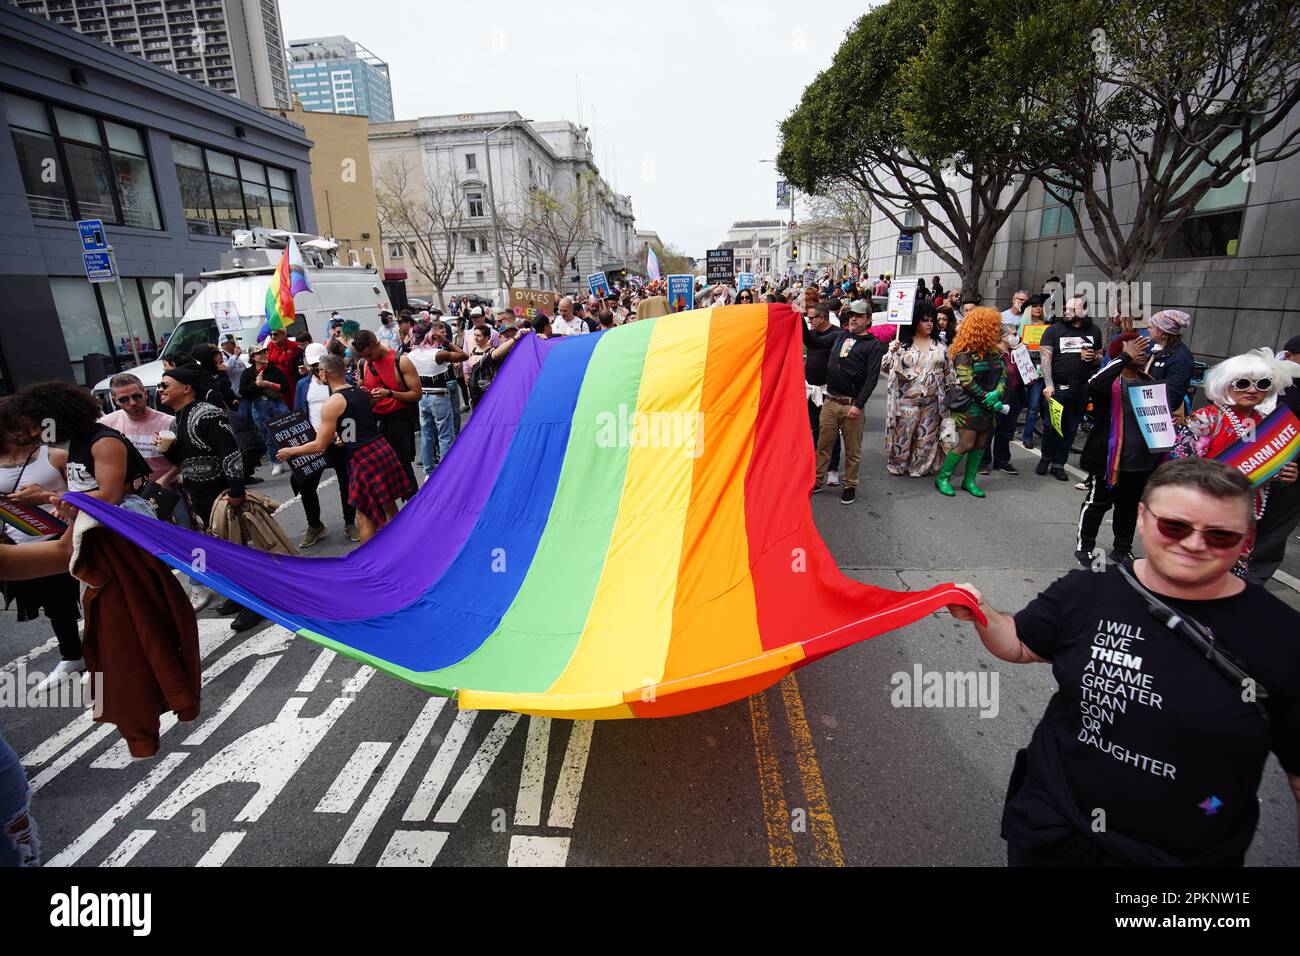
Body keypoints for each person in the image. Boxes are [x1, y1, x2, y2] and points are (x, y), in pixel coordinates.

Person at [946, 457, 1300, 866]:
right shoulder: (1086, 593)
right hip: (1055, 834)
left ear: (1245, 537)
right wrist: (983, 611)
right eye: (1175, 526)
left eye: (1219, 535)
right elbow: (1020, 644)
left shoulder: (1283, 637)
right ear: (1143, 517)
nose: (1194, 544)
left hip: (1184, 858)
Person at [1170, 348, 1300, 574]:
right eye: (1242, 383)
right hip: (1204, 512)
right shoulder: (1205, 419)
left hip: (1245, 515)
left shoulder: (1270, 426)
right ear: (1225, 384)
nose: (1252, 390)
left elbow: (1269, 475)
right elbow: (1178, 470)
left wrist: (1284, 476)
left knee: (1231, 575)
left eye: (1262, 384)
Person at [278, 353, 413, 542]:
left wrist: (290, 451)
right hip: (382, 449)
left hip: (362, 457)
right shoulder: (361, 391)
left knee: (364, 516)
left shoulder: (333, 402)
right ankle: (401, 546)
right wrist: (344, 436)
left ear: (324, 373)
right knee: (389, 505)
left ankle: (370, 563)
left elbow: (319, 446)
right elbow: (356, 422)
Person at [0, 396, 83, 692]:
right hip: (22, 544)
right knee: (55, 606)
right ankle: (72, 655)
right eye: (18, 425)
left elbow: (83, 490)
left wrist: (60, 502)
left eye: (31, 424)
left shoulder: (55, 456)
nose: (29, 430)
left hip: (66, 536)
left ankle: (104, 653)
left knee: (91, 595)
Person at [1074, 333, 1162, 567]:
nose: (1140, 352)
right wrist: (1124, 357)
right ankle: (1086, 546)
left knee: (1128, 507)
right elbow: (1094, 383)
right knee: (1097, 504)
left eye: (1143, 349)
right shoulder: (1109, 384)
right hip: (1108, 459)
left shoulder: (1148, 381)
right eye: (1134, 348)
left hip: (1140, 461)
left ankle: (1122, 549)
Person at [803, 299, 885, 504]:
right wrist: (799, 320)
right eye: (851, 316)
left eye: (858, 316)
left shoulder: (873, 345)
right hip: (830, 401)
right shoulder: (841, 335)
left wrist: (858, 405)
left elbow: (872, 378)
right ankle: (818, 481)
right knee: (823, 446)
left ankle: (849, 485)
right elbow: (813, 342)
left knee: (852, 451)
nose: (853, 319)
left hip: (852, 404)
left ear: (868, 319)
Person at [292, 343, 360, 547]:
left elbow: (353, 412)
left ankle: (349, 522)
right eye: (312, 365)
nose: (316, 369)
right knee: (306, 484)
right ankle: (315, 525)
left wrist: (347, 435)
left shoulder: (344, 381)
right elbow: (298, 412)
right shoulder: (303, 385)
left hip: (339, 443)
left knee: (346, 483)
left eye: (319, 365)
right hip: (314, 443)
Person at [934, 307, 1006, 497]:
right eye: (994, 326)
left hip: (987, 407)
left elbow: (1003, 375)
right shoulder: (963, 353)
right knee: (965, 443)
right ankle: (943, 477)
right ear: (982, 327)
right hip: (970, 406)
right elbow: (966, 381)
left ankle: (969, 481)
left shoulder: (994, 351)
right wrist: (987, 398)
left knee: (981, 443)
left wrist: (998, 393)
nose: (998, 330)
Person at [1248, 334, 1300, 583]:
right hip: (1246, 472)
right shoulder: (1264, 382)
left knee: (1273, 534)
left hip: (1290, 478)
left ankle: (1253, 583)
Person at [1036, 295, 1103, 480]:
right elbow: (1045, 359)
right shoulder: (1054, 330)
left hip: (1081, 387)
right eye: (1066, 308)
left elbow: (1099, 355)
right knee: (1051, 426)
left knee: (1071, 427)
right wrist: (1048, 385)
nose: (1066, 312)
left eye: (1072, 309)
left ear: (1084, 311)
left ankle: (1059, 464)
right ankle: (1045, 458)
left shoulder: (1094, 331)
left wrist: (1094, 358)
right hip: (1057, 388)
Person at [353, 328, 421, 493]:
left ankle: (414, 505)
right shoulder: (363, 363)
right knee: (381, 469)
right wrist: (364, 395)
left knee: (402, 465)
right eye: (364, 356)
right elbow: (360, 388)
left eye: (369, 355)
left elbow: (417, 394)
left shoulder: (400, 360)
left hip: (400, 421)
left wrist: (390, 393)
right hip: (376, 421)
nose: (368, 359)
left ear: (376, 344)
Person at [884, 303, 948, 477]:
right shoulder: (902, 345)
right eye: (924, 320)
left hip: (933, 400)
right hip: (906, 399)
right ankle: (897, 465)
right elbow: (884, 367)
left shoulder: (940, 346)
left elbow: (950, 373)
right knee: (902, 434)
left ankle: (919, 467)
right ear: (914, 322)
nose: (929, 324)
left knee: (926, 437)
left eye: (931, 320)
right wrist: (892, 352)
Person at [407, 321, 467, 472]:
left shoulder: (410, 355)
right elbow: (464, 355)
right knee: (445, 434)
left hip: (423, 397)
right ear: (430, 335)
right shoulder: (437, 354)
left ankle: (428, 469)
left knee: (426, 434)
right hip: (438, 396)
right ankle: (447, 471)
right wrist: (446, 341)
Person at [803, 305, 842, 486]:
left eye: (811, 318)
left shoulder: (837, 335)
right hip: (811, 390)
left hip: (829, 392)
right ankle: (816, 466)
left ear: (822, 317)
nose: (809, 321)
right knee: (814, 429)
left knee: (831, 432)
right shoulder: (811, 334)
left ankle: (833, 468)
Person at [240, 343, 291, 477]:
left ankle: (292, 457)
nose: (263, 355)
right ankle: (275, 461)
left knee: (286, 429)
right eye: (259, 353)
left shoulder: (274, 370)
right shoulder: (247, 373)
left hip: (277, 403)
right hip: (258, 405)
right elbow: (243, 392)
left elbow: (285, 388)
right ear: (253, 357)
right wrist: (256, 385)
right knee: (267, 434)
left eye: (265, 352)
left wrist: (268, 384)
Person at [1143, 309, 1194, 417]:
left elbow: (1173, 397)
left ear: (1161, 331)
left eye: (1151, 327)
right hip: (1143, 407)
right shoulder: (1151, 346)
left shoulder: (1182, 357)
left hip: (1161, 415)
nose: (1148, 329)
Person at [468, 325, 531, 408]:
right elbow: (496, 354)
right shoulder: (494, 352)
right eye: (507, 336)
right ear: (499, 338)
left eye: (512, 335)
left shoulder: (522, 352)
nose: (510, 338)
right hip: (492, 399)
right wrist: (515, 338)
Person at [1018, 295, 1050, 449]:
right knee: (1033, 406)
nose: (1038, 308)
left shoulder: (1048, 326)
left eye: (1040, 305)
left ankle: (1044, 435)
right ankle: (1027, 436)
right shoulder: (1022, 327)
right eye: (1035, 305)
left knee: (1044, 407)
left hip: (1047, 370)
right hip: (1029, 370)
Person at [265, 327, 304, 410]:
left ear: (283, 334)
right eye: (270, 334)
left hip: (292, 381)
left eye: (275, 334)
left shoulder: (295, 346)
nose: (272, 337)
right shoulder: (270, 346)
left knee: (295, 403)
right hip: (278, 382)